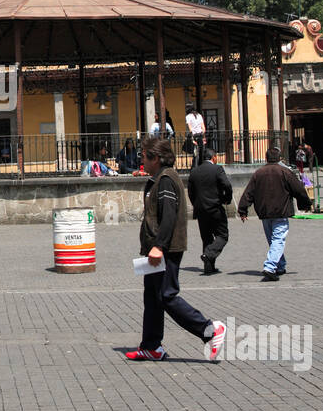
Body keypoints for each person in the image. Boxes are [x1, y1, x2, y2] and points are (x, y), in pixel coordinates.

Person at [124, 135, 226, 362]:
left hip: (167, 249)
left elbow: (169, 215)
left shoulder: (166, 180)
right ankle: (151, 346)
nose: (142, 160)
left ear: (156, 158)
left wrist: (160, 246)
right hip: (154, 248)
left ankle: (209, 330)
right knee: (152, 297)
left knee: (167, 296)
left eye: (144, 157)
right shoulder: (157, 178)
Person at [237, 147, 312, 281]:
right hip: (281, 211)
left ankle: (280, 265)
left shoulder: (258, 173)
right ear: (279, 158)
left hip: (265, 212)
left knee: (273, 240)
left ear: (266, 158)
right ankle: (270, 267)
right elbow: (298, 189)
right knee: (278, 240)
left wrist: (243, 209)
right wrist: (305, 204)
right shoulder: (285, 172)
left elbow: (249, 192)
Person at [188, 147, 233, 275]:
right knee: (222, 235)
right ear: (214, 157)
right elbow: (227, 185)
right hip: (215, 207)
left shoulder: (195, 172)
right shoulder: (217, 169)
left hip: (201, 210)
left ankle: (209, 267)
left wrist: (196, 204)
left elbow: (191, 192)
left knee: (206, 237)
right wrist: (226, 199)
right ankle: (208, 254)